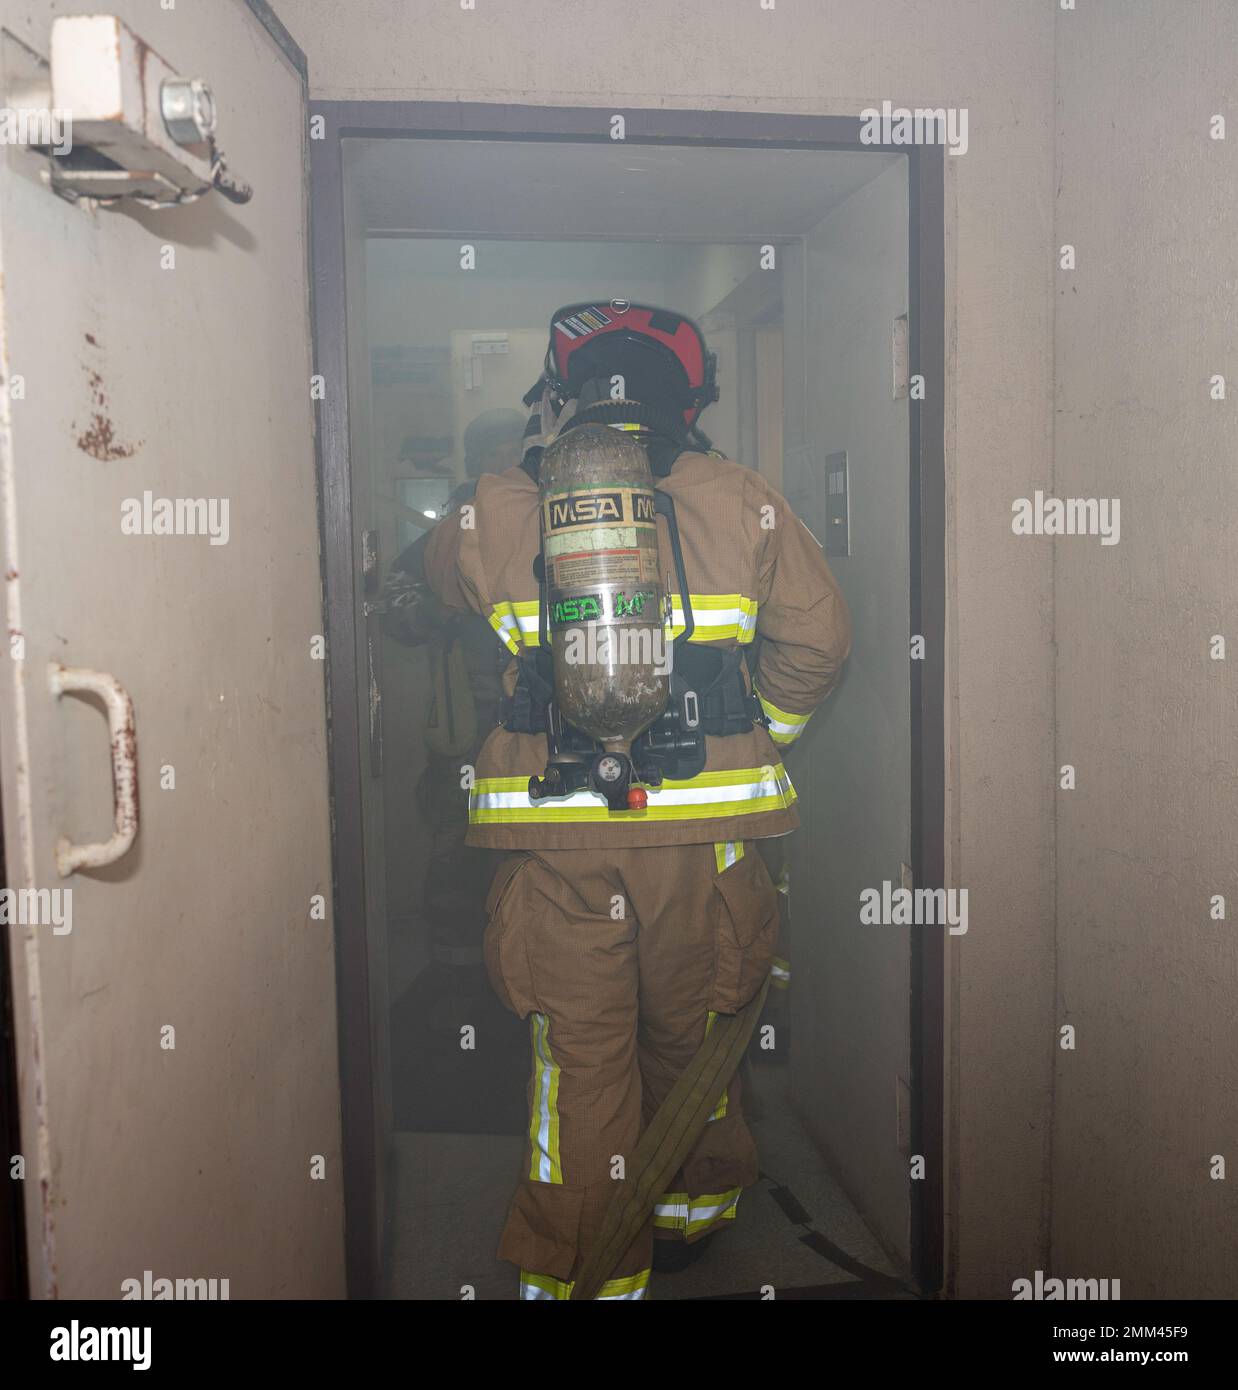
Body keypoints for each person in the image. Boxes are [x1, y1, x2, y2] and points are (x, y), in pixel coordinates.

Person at [423, 302, 851, 1300]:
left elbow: (435, 582)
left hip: (558, 840)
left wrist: (511, 482)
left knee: (579, 1066)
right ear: (690, 397)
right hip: (705, 846)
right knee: (694, 1031)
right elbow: (820, 642)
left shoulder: (496, 506)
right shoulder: (746, 501)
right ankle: (688, 1218)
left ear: (560, 393)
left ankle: (583, 1281)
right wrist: (756, 738)